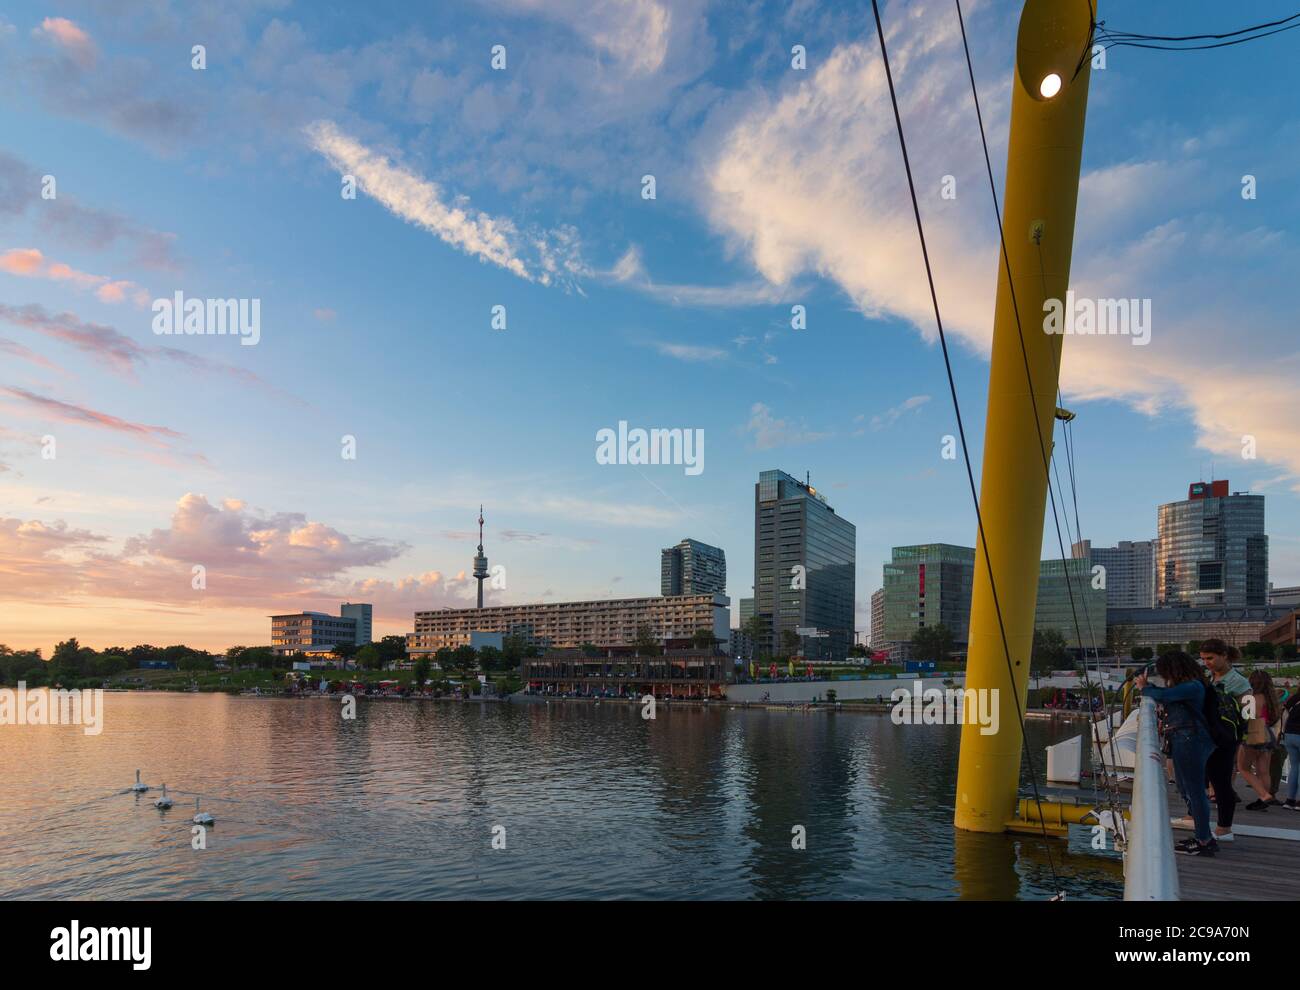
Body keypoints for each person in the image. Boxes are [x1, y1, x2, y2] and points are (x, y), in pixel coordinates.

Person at [1136, 651, 1217, 856]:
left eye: (1165, 672)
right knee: (1185, 787)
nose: (1165, 677)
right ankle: (1202, 835)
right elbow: (1165, 694)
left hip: (1191, 739)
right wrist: (1149, 687)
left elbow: (1164, 696)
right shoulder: (1191, 685)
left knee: (1195, 790)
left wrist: (1145, 688)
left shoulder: (1192, 686)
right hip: (1186, 738)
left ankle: (1204, 840)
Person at [1199, 639, 1250, 840]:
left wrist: (1246, 738)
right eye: (1203, 659)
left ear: (1224, 655)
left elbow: (1249, 711)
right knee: (1204, 779)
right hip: (1206, 736)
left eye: (1210, 658)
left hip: (1225, 739)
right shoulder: (1207, 677)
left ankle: (1224, 828)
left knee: (1221, 783)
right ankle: (1194, 817)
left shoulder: (1239, 682)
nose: (1206, 663)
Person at [1239, 669, 1283, 810]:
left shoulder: (1251, 697)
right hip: (1268, 732)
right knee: (1264, 770)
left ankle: (1264, 795)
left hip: (1253, 731)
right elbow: (1273, 718)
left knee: (1244, 768)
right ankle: (1263, 800)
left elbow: (1246, 717)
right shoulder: (1271, 699)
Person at [1282, 687, 1300, 810]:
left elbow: (1285, 713)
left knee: (1294, 767)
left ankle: (1290, 800)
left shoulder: (1294, 698)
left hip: (1289, 734)